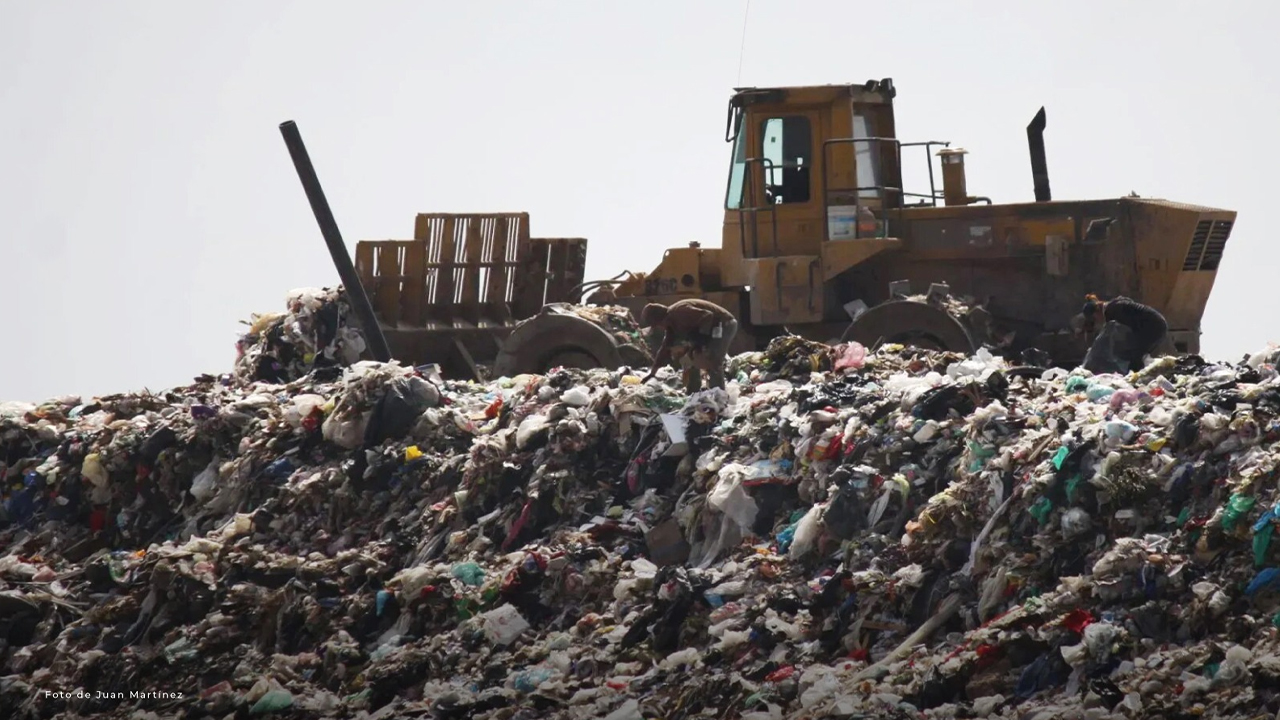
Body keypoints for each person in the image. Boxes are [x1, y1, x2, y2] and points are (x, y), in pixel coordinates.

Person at [638, 299, 739, 391]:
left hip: (724, 324)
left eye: (658, 325)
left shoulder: (680, 312)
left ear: (663, 319)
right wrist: (652, 373)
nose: (660, 328)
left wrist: (700, 340)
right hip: (709, 330)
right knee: (690, 357)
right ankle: (693, 391)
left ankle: (718, 393)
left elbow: (708, 316)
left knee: (713, 358)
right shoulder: (671, 327)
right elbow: (664, 349)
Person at [1080, 294, 1168, 373]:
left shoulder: (1111, 311)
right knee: (1134, 354)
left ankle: (1135, 379)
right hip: (1156, 324)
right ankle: (1137, 376)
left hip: (1153, 326)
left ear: (1097, 311)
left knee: (1135, 355)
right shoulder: (1113, 306)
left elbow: (1105, 338)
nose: (1097, 322)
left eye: (1094, 319)